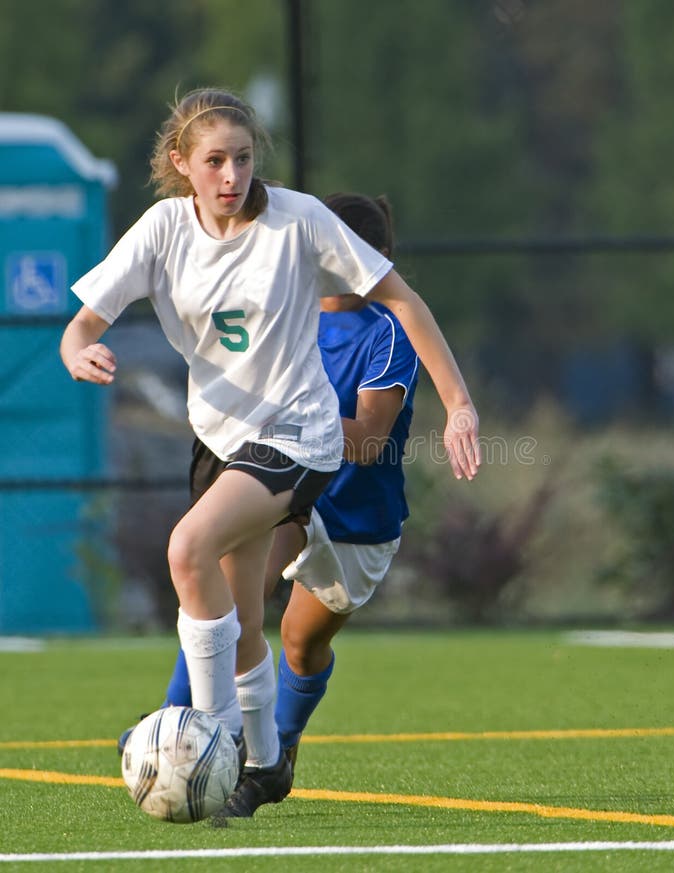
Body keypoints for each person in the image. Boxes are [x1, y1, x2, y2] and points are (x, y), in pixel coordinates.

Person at [60, 88, 479, 818]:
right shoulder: (162, 229)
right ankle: (261, 761)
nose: (232, 175)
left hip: (297, 438)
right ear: (180, 163)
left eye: (244, 158)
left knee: (190, 548)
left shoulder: (298, 220)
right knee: (242, 615)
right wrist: (77, 348)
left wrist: (461, 405)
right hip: (220, 438)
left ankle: (213, 738)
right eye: (215, 160)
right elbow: (85, 319)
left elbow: (406, 300)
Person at [151, 192, 419, 806]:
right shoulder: (286, 312)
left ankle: (281, 748)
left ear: (377, 261)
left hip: (359, 517)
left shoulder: (388, 334)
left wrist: (301, 416)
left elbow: (370, 441)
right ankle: (173, 722)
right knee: (228, 589)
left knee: (302, 642)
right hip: (296, 491)